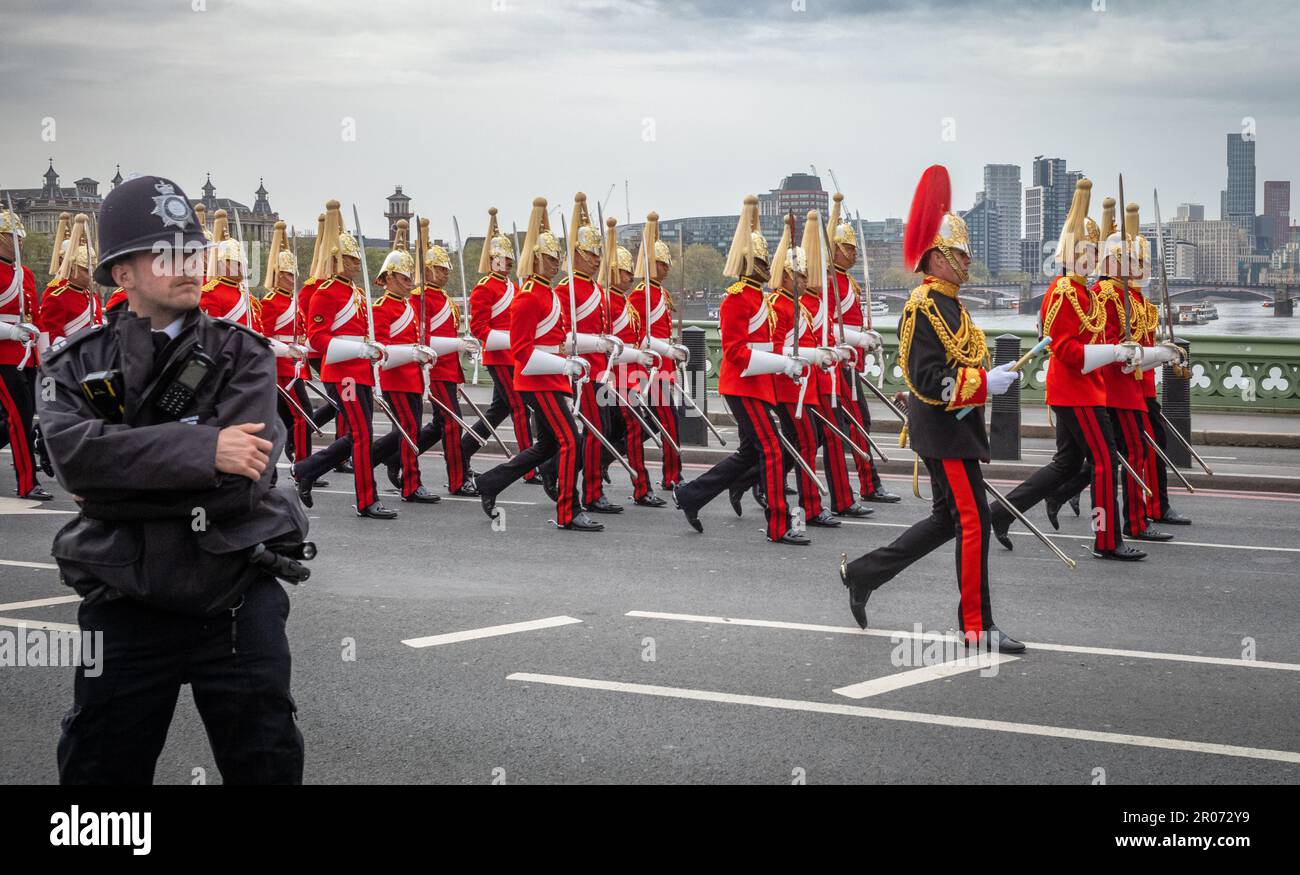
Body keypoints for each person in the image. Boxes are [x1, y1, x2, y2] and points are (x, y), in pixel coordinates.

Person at [38, 174, 308, 784]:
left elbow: (245, 481)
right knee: (101, 782)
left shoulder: (245, 354)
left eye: (192, 251)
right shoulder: (76, 362)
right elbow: (75, 463)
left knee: (266, 763)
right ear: (122, 273)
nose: (187, 264)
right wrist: (207, 445)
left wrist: (120, 472)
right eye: (165, 253)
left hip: (235, 589)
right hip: (125, 595)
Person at [839, 165, 1024, 653]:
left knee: (948, 521)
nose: (967, 259)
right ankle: (975, 624)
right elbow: (928, 380)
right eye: (959, 252)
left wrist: (987, 380)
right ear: (937, 258)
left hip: (954, 429)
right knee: (974, 522)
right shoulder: (923, 306)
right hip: (946, 431)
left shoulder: (952, 306)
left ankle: (863, 573)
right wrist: (987, 383)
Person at [989, 179, 1146, 561]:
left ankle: (1001, 512)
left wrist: (1116, 351)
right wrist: (1114, 351)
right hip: (1076, 391)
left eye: (1095, 253)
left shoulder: (1086, 292)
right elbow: (1068, 351)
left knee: (1068, 463)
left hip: (1086, 389)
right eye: (1089, 252)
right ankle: (1107, 539)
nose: (1093, 259)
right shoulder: (1063, 292)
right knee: (1106, 462)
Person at [672, 195, 808, 545]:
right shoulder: (736, 297)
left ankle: (691, 495)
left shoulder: (760, 297)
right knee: (773, 450)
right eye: (762, 260)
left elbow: (768, 346)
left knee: (751, 452)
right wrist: (782, 362)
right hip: (742, 385)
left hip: (759, 385)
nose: (767, 266)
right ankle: (779, 525)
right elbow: (735, 352)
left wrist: (789, 364)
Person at [476, 197, 603, 532]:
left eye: (556, 257)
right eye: (547, 257)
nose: (553, 262)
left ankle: (490, 483)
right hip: (537, 380)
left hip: (550, 377)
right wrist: (565, 366)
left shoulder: (550, 293)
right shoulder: (528, 296)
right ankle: (567, 511)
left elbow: (558, 339)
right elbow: (522, 351)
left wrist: (590, 348)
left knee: (546, 445)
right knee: (570, 441)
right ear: (534, 258)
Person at [293, 200, 394, 518]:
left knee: (357, 433)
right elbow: (317, 338)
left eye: (356, 257)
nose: (355, 263)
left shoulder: (358, 294)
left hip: (361, 372)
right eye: (350, 258)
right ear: (336, 260)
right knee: (363, 434)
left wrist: (371, 352)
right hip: (342, 373)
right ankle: (366, 499)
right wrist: (358, 350)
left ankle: (307, 469)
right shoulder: (325, 293)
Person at [542, 193, 620, 512]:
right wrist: (597, 344)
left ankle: (561, 473)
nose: (597, 258)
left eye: (598, 253)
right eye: (591, 253)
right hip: (583, 370)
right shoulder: (565, 290)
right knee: (595, 431)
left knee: (603, 429)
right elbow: (564, 337)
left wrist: (609, 347)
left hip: (601, 369)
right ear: (577, 253)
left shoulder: (597, 290)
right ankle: (590, 493)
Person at [764, 212, 841, 529]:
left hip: (805, 386)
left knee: (805, 443)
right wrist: (814, 355)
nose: (803, 281)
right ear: (782, 277)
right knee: (807, 443)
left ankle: (761, 483)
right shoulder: (779, 305)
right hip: (789, 386)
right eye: (797, 276)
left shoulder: (798, 306)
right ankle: (810, 506)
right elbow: (778, 350)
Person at [826, 193, 900, 504]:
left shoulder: (846, 282)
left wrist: (864, 336)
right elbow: (827, 328)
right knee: (855, 423)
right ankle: (869, 483)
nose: (854, 253)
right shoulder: (830, 283)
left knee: (831, 431)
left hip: (851, 363)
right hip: (838, 365)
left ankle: (868, 483)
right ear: (835, 250)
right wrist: (859, 339)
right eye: (848, 248)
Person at [460, 208, 537, 482]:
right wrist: (513, 340)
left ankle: (463, 448)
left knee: (499, 411)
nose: (507, 263)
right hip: (498, 355)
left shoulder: (514, 288)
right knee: (518, 406)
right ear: (492, 260)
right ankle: (529, 466)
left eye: (509, 258)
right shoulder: (485, 288)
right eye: (502, 258)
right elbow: (480, 328)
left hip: (514, 355)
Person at [367, 221, 442, 504]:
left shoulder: (410, 306)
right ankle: (411, 483)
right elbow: (382, 351)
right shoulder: (382, 308)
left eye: (409, 277)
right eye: (401, 277)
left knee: (409, 430)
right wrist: (412, 353)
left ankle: (373, 459)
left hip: (413, 378)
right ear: (387, 278)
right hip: (395, 379)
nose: (408, 281)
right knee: (409, 431)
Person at [601, 217, 666, 507]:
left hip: (635, 373)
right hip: (616, 376)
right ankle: (642, 487)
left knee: (623, 431)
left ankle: (597, 462)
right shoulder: (605, 303)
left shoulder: (624, 301)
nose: (630, 277)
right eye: (625, 273)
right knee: (636, 427)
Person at [628, 213, 687, 492]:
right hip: (650, 369)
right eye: (662, 263)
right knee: (667, 422)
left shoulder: (660, 293)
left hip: (663, 367)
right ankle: (672, 475)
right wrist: (667, 350)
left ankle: (604, 457)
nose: (666, 267)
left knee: (648, 425)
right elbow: (640, 337)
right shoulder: (640, 295)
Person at [0, 206, 50, 500]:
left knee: (18, 419)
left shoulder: (25, 273)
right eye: (11, 236)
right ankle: (27, 482)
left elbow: (37, 319)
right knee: (19, 418)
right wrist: (9, 332)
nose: (19, 240)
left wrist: (45, 359)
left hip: (26, 355)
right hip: (3, 355)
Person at [257, 220, 314, 468]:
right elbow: (264, 337)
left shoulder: (293, 301)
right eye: (287, 275)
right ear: (276, 276)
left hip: (295, 365)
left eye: (293, 275)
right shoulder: (270, 303)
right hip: (281, 368)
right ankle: (303, 463)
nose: (292, 279)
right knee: (303, 415)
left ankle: (294, 456)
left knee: (289, 419)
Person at [37, 214, 104, 350]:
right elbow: (52, 336)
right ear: (73, 269)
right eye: (86, 270)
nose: (91, 275)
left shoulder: (92, 296)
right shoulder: (57, 298)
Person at [198, 209, 261, 330]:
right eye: (235, 263)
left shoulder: (244, 292)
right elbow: (212, 334)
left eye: (240, 263)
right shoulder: (210, 293)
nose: (240, 267)